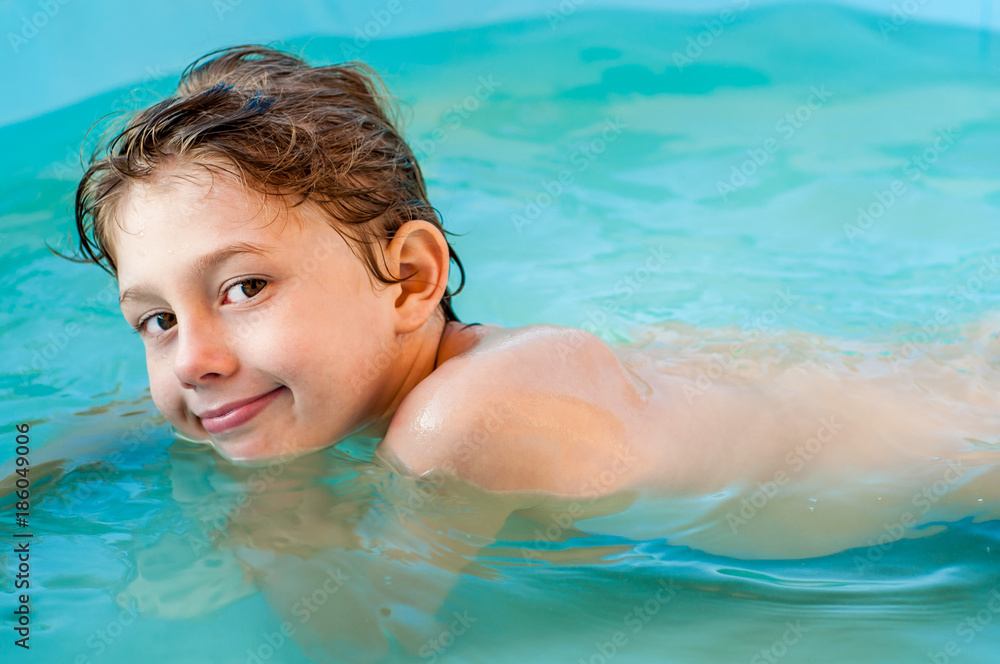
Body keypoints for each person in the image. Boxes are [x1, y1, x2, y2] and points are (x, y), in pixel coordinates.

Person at [71, 43, 997, 655]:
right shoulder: (461, 369)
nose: (193, 359)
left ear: (411, 279)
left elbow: (378, 639)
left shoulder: (461, 421)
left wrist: (274, 530)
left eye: (244, 289)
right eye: (156, 321)